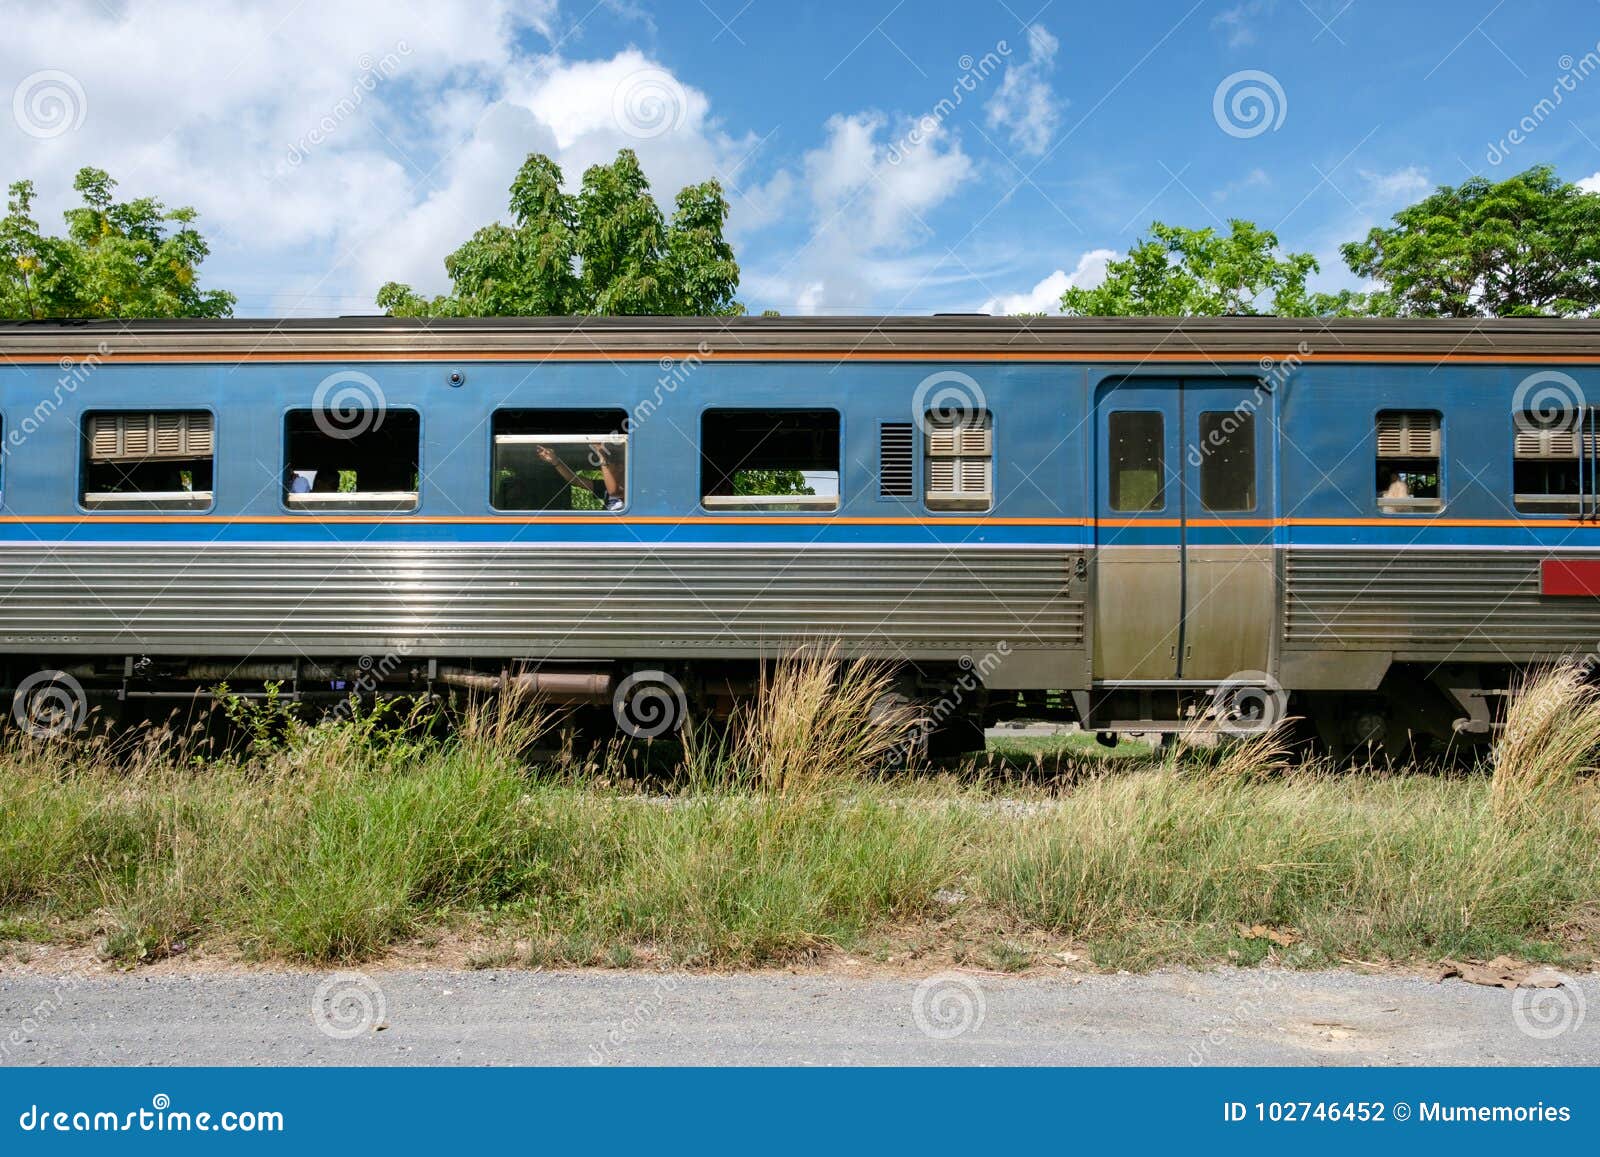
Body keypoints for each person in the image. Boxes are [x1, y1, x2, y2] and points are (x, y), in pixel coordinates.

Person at [535, 442, 624, 511]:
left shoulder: (630, 487)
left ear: (620, 467)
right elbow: (575, 481)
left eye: (608, 464)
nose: (603, 469)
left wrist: (602, 459)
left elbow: (613, 491)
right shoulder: (604, 486)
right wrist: (554, 461)